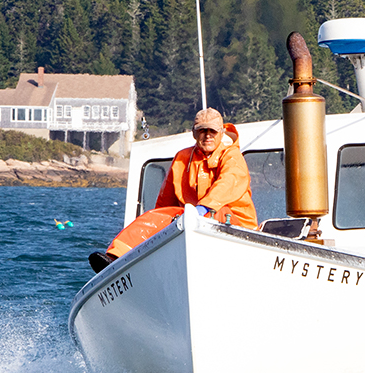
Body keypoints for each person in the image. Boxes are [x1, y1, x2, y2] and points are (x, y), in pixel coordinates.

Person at [90, 108, 258, 271]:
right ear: (194, 133)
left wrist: (204, 207)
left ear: (221, 133)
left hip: (234, 224)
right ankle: (116, 257)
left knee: (215, 212)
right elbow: (166, 202)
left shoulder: (232, 156)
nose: (207, 135)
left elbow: (228, 182)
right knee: (156, 217)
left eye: (212, 131)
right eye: (202, 130)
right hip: (190, 223)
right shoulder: (182, 158)